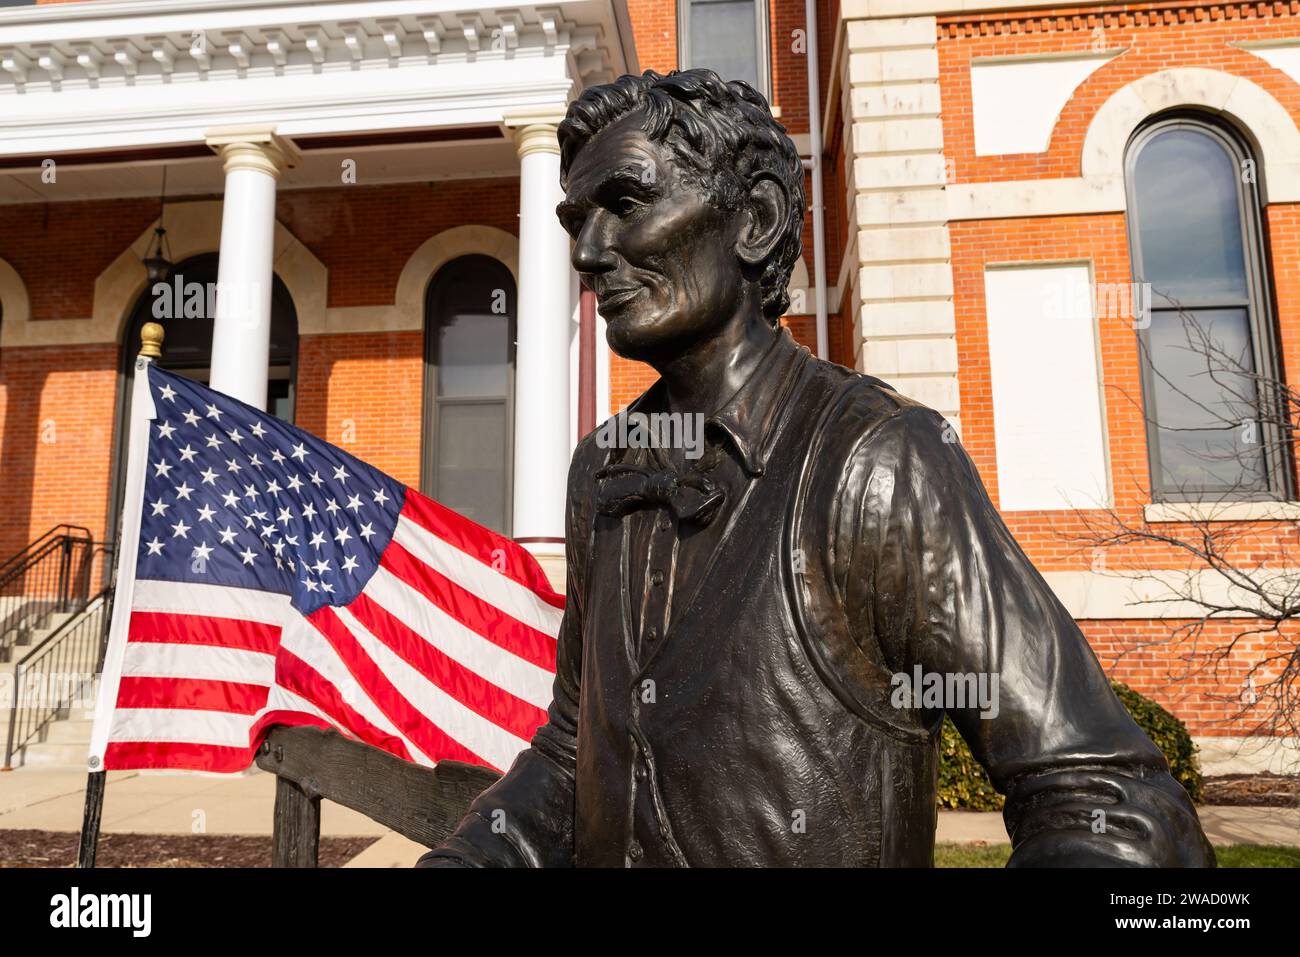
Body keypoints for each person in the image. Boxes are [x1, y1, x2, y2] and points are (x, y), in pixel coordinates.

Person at [418, 68, 1214, 867]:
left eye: (626, 204)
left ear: (755, 220)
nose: (589, 253)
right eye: (577, 221)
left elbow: (1108, 797)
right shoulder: (601, 469)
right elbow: (569, 753)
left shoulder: (879, 459)